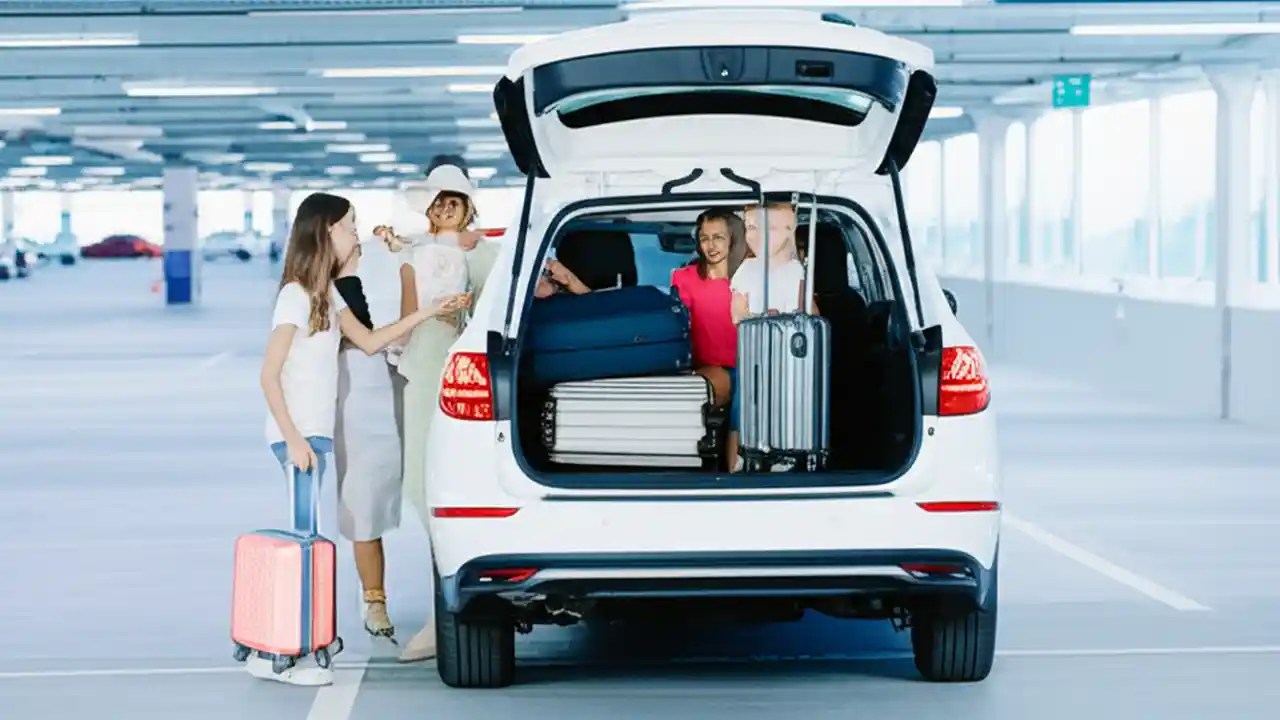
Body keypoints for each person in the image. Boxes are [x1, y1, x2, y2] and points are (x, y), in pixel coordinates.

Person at [254, 192, 452, 686]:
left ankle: (291, 647)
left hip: (316, 435)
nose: (355, 233)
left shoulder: (330, 295)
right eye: (348, 226)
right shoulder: (295, 295)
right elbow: (268, 376)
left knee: (312, 543)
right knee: (305, 543)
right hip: (297, 438)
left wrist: (430, 312)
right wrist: (293, 439)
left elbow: (370, 341)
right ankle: (293, 653)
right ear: (324, 234)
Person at [371, 163, 494, 664]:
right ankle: (444, 607)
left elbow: (489, 312)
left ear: (468, 207)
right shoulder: (413, 251)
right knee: (420, 483)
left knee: (440, 482)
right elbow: (402, 309)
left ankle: (449, 609)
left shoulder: (483, 253)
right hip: (416, 362)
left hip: (454, 363)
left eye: (455, 202)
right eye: (439, 202)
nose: (446, 209)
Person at [671, 208, 746, 470]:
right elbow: (673, 323)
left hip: (754, 369)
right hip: (708, 370)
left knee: (747, 386)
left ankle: (734, 468)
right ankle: (733, 468)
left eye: (718, 238)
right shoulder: (685, 278)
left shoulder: (753, 276)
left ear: (733, 239)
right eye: (704, 238)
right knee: (739, 385)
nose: (710, 246)